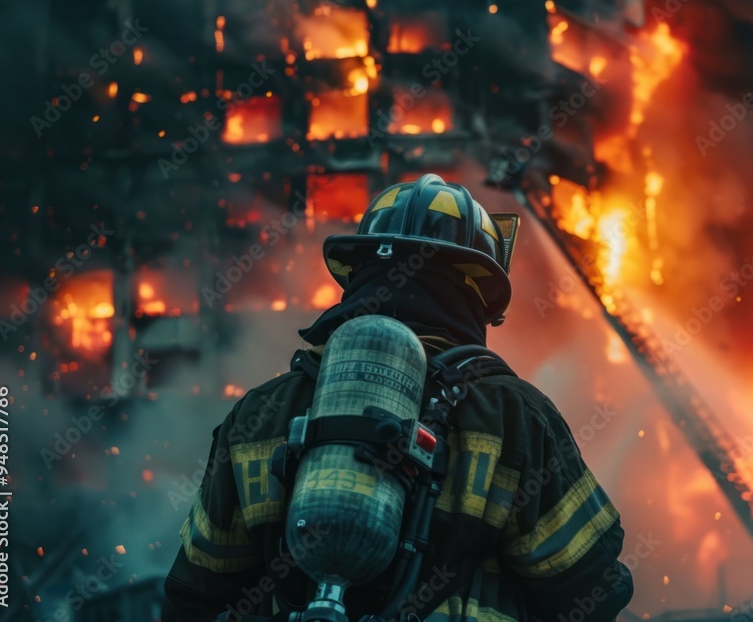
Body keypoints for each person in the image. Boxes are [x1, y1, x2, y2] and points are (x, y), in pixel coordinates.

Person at [162, 174, 634, 622]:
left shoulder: (261, 413)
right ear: (474, 293)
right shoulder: (514, 416)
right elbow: (592, 589)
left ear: (358, 277)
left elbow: (194, 590)